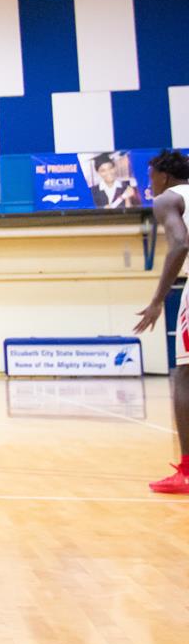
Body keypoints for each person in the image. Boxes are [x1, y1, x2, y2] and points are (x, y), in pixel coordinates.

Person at [132, 149, 189, 494]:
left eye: (150, 177)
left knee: (184, 376)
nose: (148, 184)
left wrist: (157, 301)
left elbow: (181, 243)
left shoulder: (168, 199)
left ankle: (186, 470)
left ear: (164, 177)